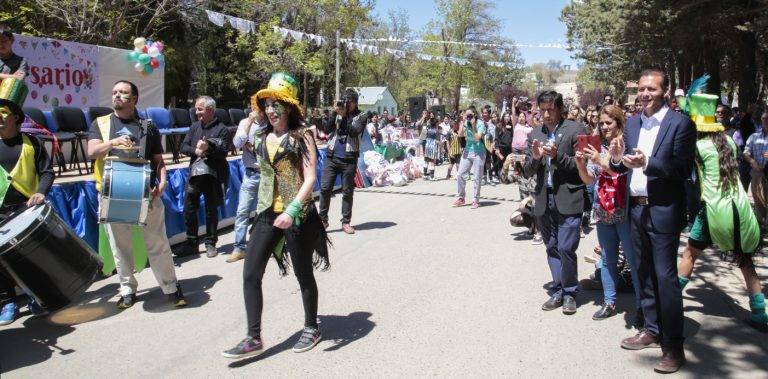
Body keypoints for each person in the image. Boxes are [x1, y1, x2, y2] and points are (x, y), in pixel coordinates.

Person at [222, 72, 330, 359]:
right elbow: (237, 140)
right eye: (266, 104)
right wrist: (250, 117)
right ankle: (253, 337)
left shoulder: (302, 135)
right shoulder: (260, 135)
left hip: (298, 214)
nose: (270, 110)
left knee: (303, 274)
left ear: (289, 107)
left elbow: (310, 178)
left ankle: (311, 327)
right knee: (250, 274)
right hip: (268, 213)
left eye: (276, 104)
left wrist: (292, 210)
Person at [609, 69, 695, 374]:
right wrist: (619, 158)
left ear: (665, 93)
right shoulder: (632, 124)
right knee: (642, 273)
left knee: (665, 277)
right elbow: (623, 167)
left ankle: (674, 346)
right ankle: (651, 329)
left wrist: (648, 162)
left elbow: (682, 168)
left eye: (651, 89)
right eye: (641, 89)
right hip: (636, 210)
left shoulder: (680, 123)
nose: (644, 94)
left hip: (663, 210)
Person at [87, 80, 187, 309]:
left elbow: (158, 160)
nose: (117, 96)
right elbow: (92, 152)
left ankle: (171, 287)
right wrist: (112, 142)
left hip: (146, 192)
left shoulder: (147, 126)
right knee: (120, 246)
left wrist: (162, 182)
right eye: (114, 92)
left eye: (123, 93)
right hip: (111, 192)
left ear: (134, 99)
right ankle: (127, 289)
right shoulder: (100, 123)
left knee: (157, 242)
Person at [675, 93, 767, 328]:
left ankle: (670, 300)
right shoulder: (728, 142)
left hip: (712, 211)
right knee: (746, 262)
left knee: (689, 255)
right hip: (739, 210)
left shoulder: (696, 146)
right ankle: (759, 312)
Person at [574, 105, 642, 321]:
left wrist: (599, 160)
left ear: (619, 123)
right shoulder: (598, 147)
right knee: (608, 259)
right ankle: (609, 302)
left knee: (633, 261)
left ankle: (642, 307)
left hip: (626, 211)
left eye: (608, 123)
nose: (604, 127)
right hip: (603, 211)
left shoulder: (628, 145)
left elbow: (618, 171)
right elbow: (589, 181)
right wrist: (580, 165)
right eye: (601, 123)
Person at [523, 90, 587, 315]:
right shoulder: (535, 134)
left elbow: (582, 167)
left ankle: (570, 292)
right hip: (543, 197)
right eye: (543, 110)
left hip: (568, 196)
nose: (547, 114)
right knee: (551, 246)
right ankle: (558, 289)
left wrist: (557, 157)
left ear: (560, 109)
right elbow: (527, 169)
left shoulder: (576, 130)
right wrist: (538, 157)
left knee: (566, 247)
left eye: (551, 109)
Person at [0, 81, 54, 325]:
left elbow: (48, 172)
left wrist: (41, 192)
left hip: (26, 209)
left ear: (16, 118)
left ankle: (35, 295)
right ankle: (7, 302)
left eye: (3, 114)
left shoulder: (32, 143)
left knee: (30, 257)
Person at [178, 96, 231, 258]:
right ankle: (192, 243)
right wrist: (196, 151)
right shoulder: (194, 127)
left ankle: (210, 243)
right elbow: (183, 146)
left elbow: (223, 152)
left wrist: (208, 148)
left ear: (210, 110)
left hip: (213, 174)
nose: (196, 112)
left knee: (210, 210)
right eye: (196, 108)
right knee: (189, 208)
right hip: (195, 174)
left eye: (199, 109)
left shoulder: (222, 129)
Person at [318, 88, 368, 234]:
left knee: (347, 191)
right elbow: (327, 130)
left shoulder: (362, 116)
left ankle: (346, 222)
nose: (346, 104)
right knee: (325, 188)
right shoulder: (339, 113)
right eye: (344, 100)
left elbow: (353, 132)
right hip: (332, 157)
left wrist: (344, 116)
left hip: (349, 158)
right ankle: (323, 220)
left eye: (349, 102)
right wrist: (335, 113)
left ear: (355, 102)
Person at [229, 108, 267, 263]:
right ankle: (239, 248)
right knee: (242, 211)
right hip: (250, 173)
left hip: (266, 174)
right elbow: (237, 143)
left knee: (263, 211)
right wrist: (250, 122)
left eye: (258, 107)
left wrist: (253, 147)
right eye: (253, 107)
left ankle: (261, 245)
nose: (255, 110)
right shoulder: (245, 123)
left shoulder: (270, 124)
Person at [452, 106, 486, 209]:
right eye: (467, 115)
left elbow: (477, 138)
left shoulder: (480, 123)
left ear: (474, 115)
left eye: (470, 115)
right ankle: (461, 197)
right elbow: (460, 135)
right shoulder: (465, 122)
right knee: (460, 174)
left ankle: (476, 199)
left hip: (479, 152)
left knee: (477, 177)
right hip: (467, 151)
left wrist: (473, 125)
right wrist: (462, 123)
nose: (468, 117)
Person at [743, 108, 768, 232]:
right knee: (758, 198)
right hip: (757, 171)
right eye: (764, 119)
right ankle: (760, 224)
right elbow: (746, 152)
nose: (766, 121)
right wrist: (752, 161)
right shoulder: (754, 136)